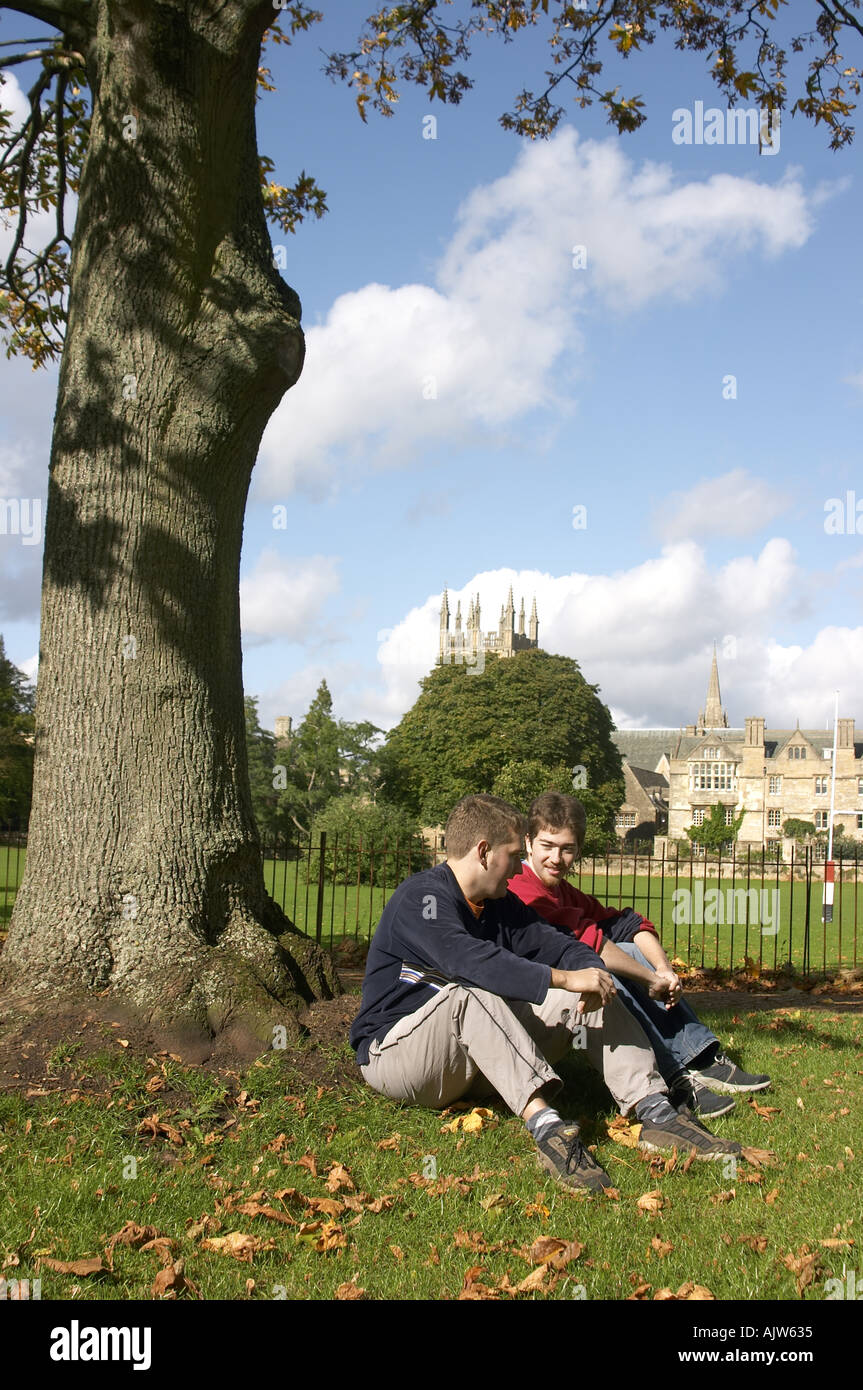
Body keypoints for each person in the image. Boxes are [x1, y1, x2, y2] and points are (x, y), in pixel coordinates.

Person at [350, 793, 741, 1192]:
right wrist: (565, 979)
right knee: (467, 993)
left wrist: (589, 973)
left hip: (478, 1061)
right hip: (399, 1057)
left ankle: (656, 1110)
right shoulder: (423, 898)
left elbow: (551, 940)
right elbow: (470, 960)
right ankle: (548, 1127)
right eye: (515, 853)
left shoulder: (498, 903)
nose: (521, 865)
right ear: (484, 852)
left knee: (590, 988)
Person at [507, 792, 771, 1117]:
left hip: (563, 1001)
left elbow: (628, 923)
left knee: (627, 949)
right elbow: (591, 944)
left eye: (567, 849)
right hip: (527, 1013)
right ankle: (675, 1076)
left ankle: (700, 1059)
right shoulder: (520, 887)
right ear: (529, 842)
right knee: (607, 967)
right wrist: (651, 980)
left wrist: (663, 970)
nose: (556, 859)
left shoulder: (562, 891)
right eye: (548, 846)